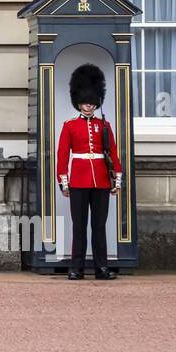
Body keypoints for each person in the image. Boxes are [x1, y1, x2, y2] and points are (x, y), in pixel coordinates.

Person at [57, 63, 123, 281]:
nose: (88, 105)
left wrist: (117, 179)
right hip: (78, 180)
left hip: (102, 181)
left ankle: (101, 268)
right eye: (85, 102)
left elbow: (112, 153)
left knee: (99, 227)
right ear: (78, 102)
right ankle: (76, 268)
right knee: (79, 227)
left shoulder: (104, 126)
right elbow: (62, 156)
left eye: (92, 102)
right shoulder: (70, 126)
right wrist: (64, 182)